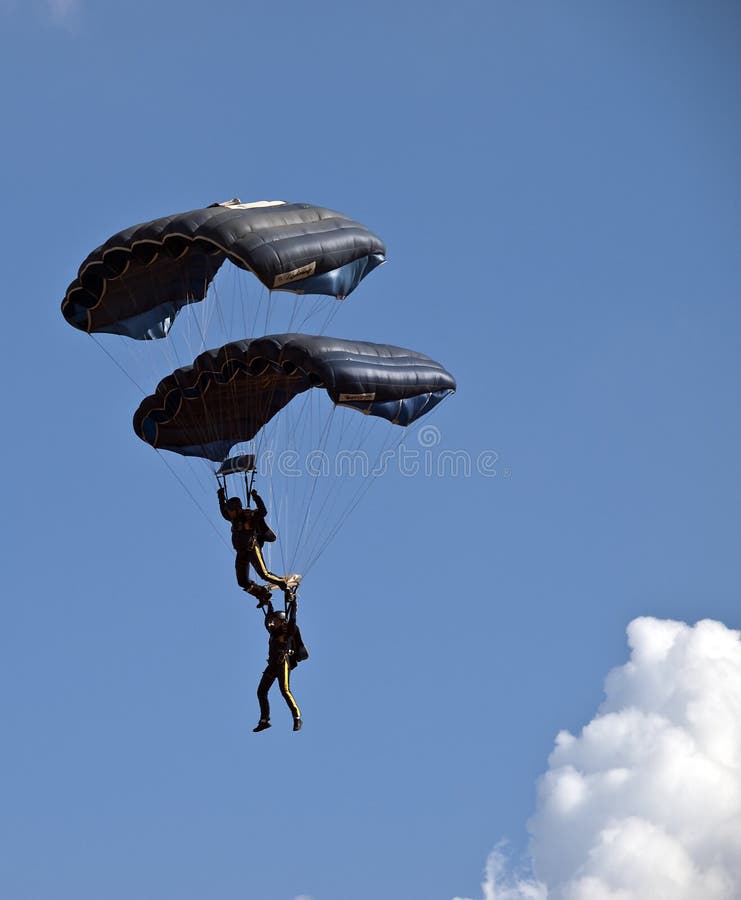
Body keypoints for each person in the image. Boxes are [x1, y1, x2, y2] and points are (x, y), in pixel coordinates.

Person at [217, 486, 299, 605]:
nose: (228, 513)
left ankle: (285, 586)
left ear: (236, 509)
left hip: (252, 549)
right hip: (241, 553)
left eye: (230, 510)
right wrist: (220, 495)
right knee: (242, 582)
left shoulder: (250, 516)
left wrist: (256, 497)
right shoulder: (233, 519)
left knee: (264, 575)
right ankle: (262, 594)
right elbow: (223, 512)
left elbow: (263, 512)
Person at [253, 596, 308, 733]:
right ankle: (264, 720)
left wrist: (293, 605)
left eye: (276, 621)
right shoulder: (273, 632)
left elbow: (293, 620)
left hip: (282, 663)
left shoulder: (288, 632)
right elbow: (267, 620)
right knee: (261, 691)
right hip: (272, 665)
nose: (273, 623)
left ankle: (297, 717)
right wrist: (268, 603)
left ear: (282, 621)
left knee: (285, 691)